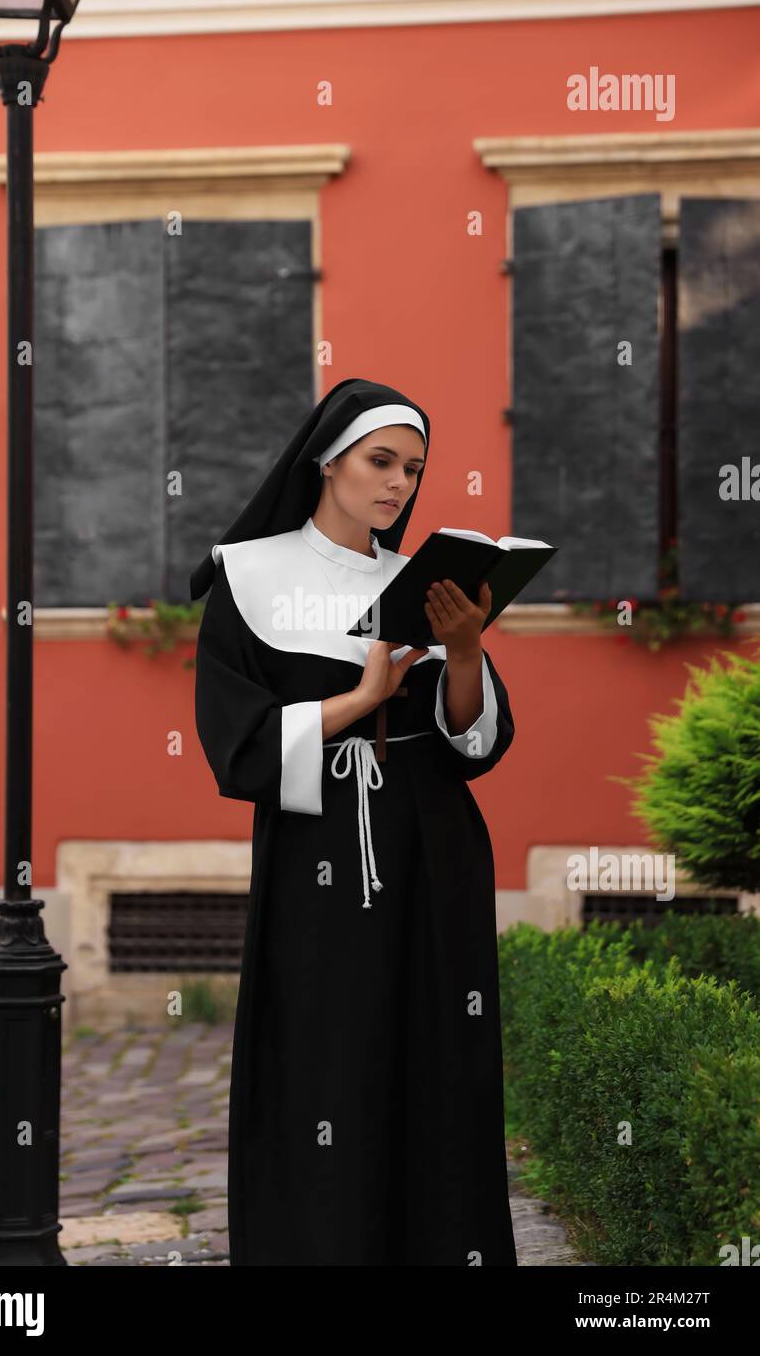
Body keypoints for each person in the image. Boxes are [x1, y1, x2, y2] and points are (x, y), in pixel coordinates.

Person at [190, 377, 517, 1266]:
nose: (398, 485)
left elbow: (473, 741)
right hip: (318, 848)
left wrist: (463, 651)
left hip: (431, 842)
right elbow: (237, 747)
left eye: (412, 469)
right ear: (326, 460)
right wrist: (360, 698)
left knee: (435, 1051)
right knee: (326, 1053)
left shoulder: (417, 584)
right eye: (380, 462)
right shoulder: (250, 577)